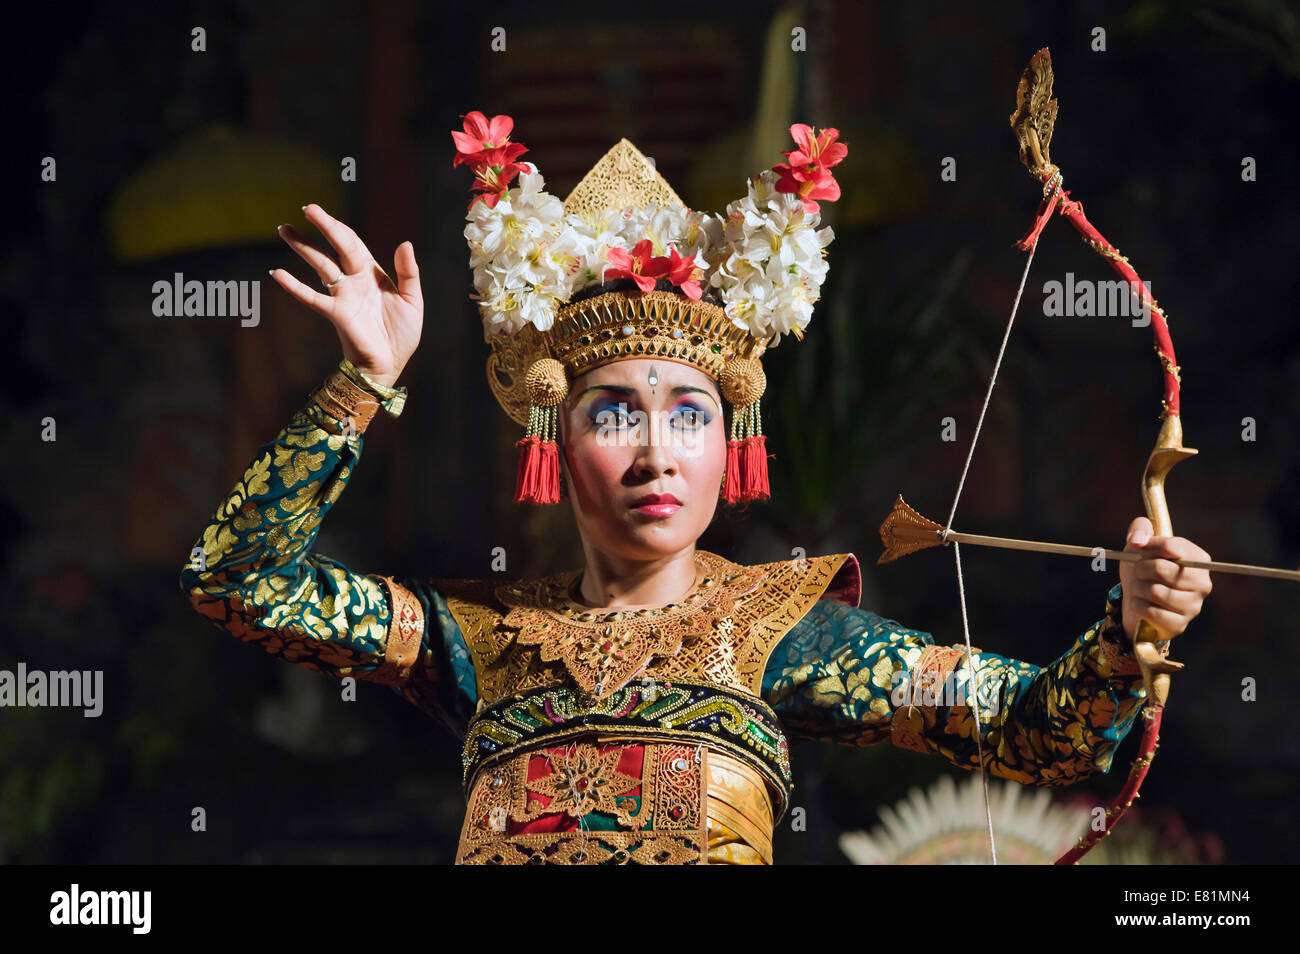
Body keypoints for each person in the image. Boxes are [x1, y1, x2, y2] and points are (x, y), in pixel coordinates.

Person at [179, 115, 1212, 865]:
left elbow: (1042, 728)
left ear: (732, 447)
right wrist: (365, 382)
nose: (655, 454)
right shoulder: (472, 637)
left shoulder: (786, 632)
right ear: (553, 438)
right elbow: (236, 580)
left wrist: (1127, 627)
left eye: (689, 415)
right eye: (614, 413)